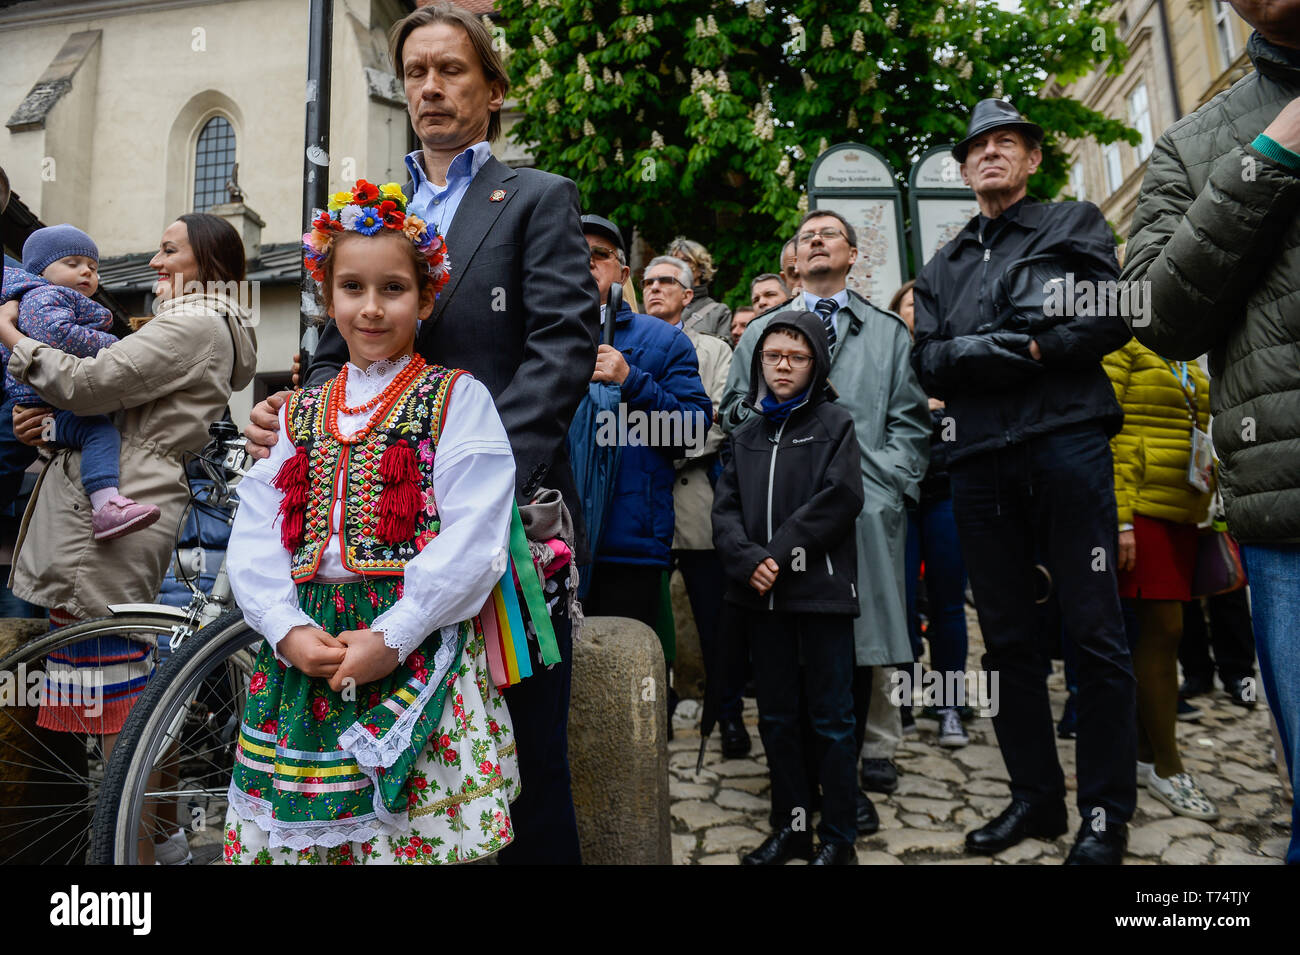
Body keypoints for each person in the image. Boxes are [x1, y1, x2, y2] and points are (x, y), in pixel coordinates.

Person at [243, 2, 598, 864]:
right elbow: (332, 355)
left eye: (452, 70)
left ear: (494, 88)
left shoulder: (537, 198)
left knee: (521, 756)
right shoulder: (376, 207)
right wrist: (303, 416)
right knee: (392, 771)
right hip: (366, 534)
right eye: (415, 74)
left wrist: (455, 474)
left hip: (496, 520)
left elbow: (562, 346)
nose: (430, 88)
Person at [221, 178, 523, 864]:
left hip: (412, 646)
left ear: (426, 298)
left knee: (410, 838)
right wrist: (286, 626)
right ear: (329, 299)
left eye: (393, 289)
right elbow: (257, 528)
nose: (372, 307)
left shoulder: (456, 399)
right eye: (352, 288)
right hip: (312, 652)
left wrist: (397, 630)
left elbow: (478, 535)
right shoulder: (298, 413)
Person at [912, 99, 1135, 863]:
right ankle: (1035, 797)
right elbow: (929, 362)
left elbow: (1109, 315)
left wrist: (1014, 349)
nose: (992, 155)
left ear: (1033, 158)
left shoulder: (1071, 224)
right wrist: (1029, 340)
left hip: (1066, 440)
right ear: (964, 168)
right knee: (1005, 641)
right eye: (978, 148)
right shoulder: (942, 264)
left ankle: (1105, 812)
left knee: (1095, 632)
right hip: (977, 459)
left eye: (1007, 143)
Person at [0, 212, 257, 863]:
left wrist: (11, 335)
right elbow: (122, 410)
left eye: (169, 250)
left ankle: (131, 860)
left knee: (121, 703)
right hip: (128, 500)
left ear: (207, 261)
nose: (153, 262)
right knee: (131, 685)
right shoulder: (204, 322)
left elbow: (90, 385)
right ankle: (161, 842)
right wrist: (52, 430)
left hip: (108, 519)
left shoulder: (192, 322)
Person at [1118, 0, 1300, 863]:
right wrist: (1269, 156)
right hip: (1270, 503)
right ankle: (1173, 739)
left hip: (1203, 495)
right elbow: (1156, 313)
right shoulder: (1193, 143)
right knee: (1168, 628)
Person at [721, 209, 930, 835]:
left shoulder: (888, 333)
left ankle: (846, 786)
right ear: (793, 257)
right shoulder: (763, 334)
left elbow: (911, 425)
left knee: (855, 651)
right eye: (805, 235)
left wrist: (885, 487)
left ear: (851, 253)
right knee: (786, 659)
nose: (815, 241)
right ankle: (793, 786)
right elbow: (732, 411)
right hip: (776, 520)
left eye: (828, 234)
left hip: (860, 517)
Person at [712, 311, 864, 865]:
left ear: (815, 364)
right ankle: (793, 828)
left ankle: (839, 840)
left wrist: (777, 555)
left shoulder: (834, 423)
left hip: (819, 594)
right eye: (773, 355)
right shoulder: (747, 433)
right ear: (758, 363)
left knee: (831, 719)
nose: (782, 365)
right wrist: (747, 559)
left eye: (796, 357)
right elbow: (725, 511)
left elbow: (840, 498)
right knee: (776, 717)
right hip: (762, 598)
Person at [1103, 338, 1218, 820]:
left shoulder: (1187, 348)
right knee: (1164, 629)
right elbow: (1106, 431)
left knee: (1161, 633)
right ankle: (1169, 769)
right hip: (1142, 504)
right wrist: (1121, 518)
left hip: (1184, 505)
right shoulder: (1120, 344)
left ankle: (1145, 755)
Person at [578, 245, 711, 633]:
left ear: (621, 275)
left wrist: (631, 381)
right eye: (575, 247)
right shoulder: (534, 331)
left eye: (599, 253)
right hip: (550, 540)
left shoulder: (664, 339)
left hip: (627, 543)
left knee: (624, 672)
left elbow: (690, 433)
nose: (585, 258)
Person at [0, 225, 160, 537]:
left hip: (43, 407)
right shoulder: (44, 295)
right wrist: (114, 346)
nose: (86, 272)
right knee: (98, 433)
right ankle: (105, 505)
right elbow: (56, 334)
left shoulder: (46, 296)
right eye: (72, 264)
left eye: (92, 266)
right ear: (40, 270)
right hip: (48, 405)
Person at [890, 280, 971, 749]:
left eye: (925, 304)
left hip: (945, 493)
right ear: (896, 312)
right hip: (900, 496)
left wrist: (938, 415)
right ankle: (900, 703)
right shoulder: (887, 362)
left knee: (947, 605)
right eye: (908, 304)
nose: (917, 312)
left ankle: (948, 706)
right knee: (898, 605)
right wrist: (926, 412)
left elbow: (966, 422)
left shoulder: (954, 358)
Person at [665, 236, 731, 344]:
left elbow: (722, 354)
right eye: (673, 261)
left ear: (701, 269)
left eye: (685, 260)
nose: (678, 265)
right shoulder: (661, 307)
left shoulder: (718, 312)